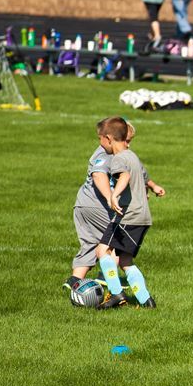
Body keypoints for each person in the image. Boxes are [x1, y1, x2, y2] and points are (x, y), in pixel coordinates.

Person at [66, 117, 162, 294]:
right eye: (127, 141)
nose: (128, 145)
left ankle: (75, 281)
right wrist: (112, 197)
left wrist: (152, 186)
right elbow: (99, 175)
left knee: (90, 243)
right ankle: (110, 283)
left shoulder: (122, 155)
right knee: (112, 245)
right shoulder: (106, 154)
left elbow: (140, 173)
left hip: (83, 205)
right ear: (112, 138)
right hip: (96, 205)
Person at [95, 118, 161, 308]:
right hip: (143, 217)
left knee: (102, 251)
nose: (100, 144)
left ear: (108, 138)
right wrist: (154, 187)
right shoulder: (132, 156)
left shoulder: (118, 159)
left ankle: (116, 294)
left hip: (127, 216)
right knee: (125, 260)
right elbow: (144, 176)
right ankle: (146, 300)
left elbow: (125, 176)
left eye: (100, 139)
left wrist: (114, 195)